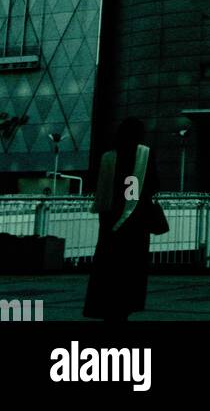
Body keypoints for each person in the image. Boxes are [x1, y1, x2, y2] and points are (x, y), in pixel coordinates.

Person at [84, 117, 163, 321]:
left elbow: (102, 190)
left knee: (109, 270)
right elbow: (143, 187)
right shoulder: (143, 154)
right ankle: (124, 308)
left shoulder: (108, 157)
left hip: (110, 222)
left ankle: (107, 307)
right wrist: (132, 202)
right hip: (135, 224)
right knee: (130, 271)